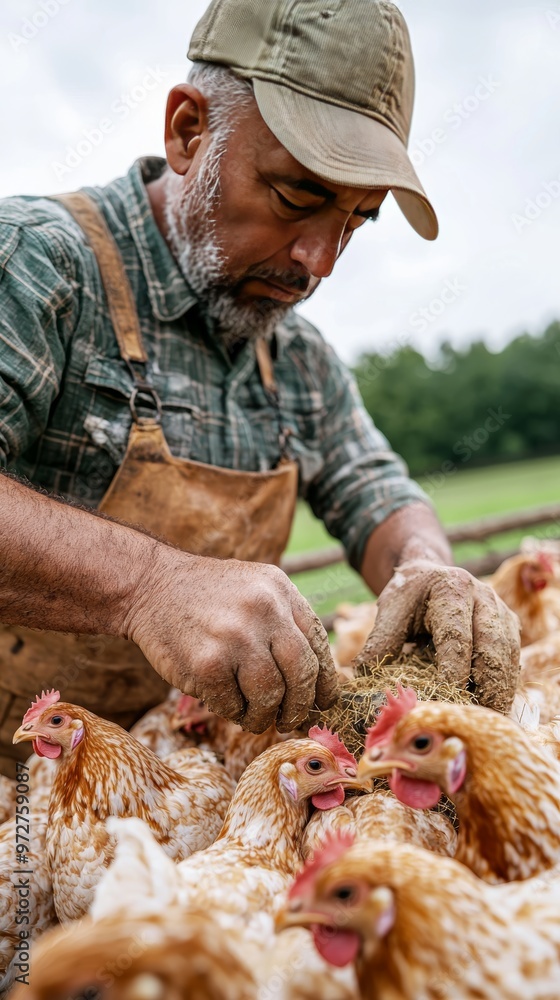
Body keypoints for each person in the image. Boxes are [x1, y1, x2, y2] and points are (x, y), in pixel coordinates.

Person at [0, 0, 519, 777]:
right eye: (297, 196)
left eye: (356, 220)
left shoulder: (296, 356)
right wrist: (147, 586)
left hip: (168, 800)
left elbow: (374, 490)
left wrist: (424, 565)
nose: (320, 261)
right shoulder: (37, 266)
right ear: (187, 130)